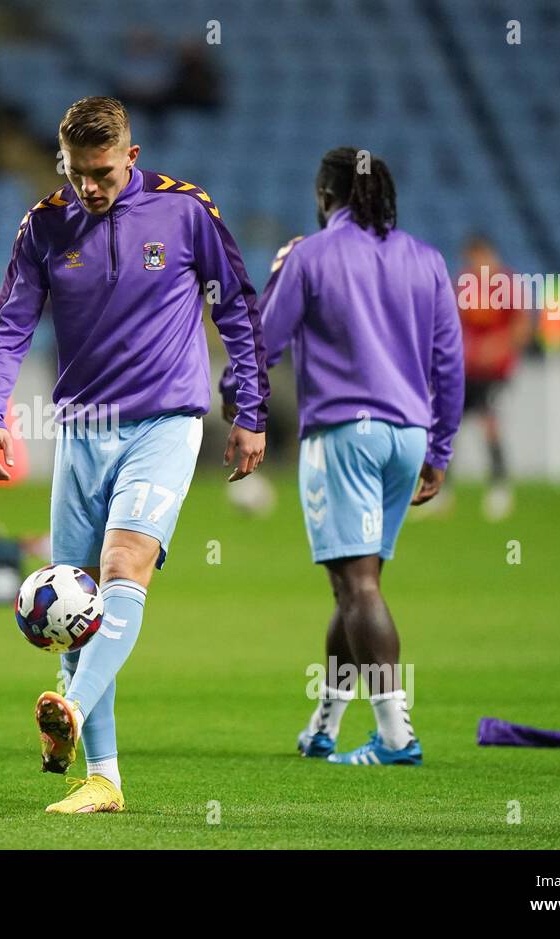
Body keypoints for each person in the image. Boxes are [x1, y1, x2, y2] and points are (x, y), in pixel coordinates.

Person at [0, 97, 269, 812]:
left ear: (130, 158)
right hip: (81, 430)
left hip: (166, 421)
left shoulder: (186, 212)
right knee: (76, 607)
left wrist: (249, 408)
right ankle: (103, 778)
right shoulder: (44, 224)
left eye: (102, 173)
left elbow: (235, 305)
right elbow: (9, 326)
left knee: (122, 566)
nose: (90, 188)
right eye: (77, 174)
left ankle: (68, 710)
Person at [226, 147, 463, 766]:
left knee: (357, 585)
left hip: (343, 437)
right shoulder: (427, 260)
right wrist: (439, 447)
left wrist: (235, 397)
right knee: (355, 586)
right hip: (408, 436)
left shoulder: (310, 255)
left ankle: (395, 737)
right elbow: (449, 363)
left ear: (325, 196)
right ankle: (325, 724)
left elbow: (263, 341)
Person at [454, 234, 532, 520]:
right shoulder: (464, 283)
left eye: (478, 258)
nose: (475, 265)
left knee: (490, 424)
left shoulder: (508, 284)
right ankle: (441, 490)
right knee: (447, 426)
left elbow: (523, 328)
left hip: (496, 371)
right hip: (466, 370)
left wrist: (498, 346)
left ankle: (499, 487)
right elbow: (452, 324)